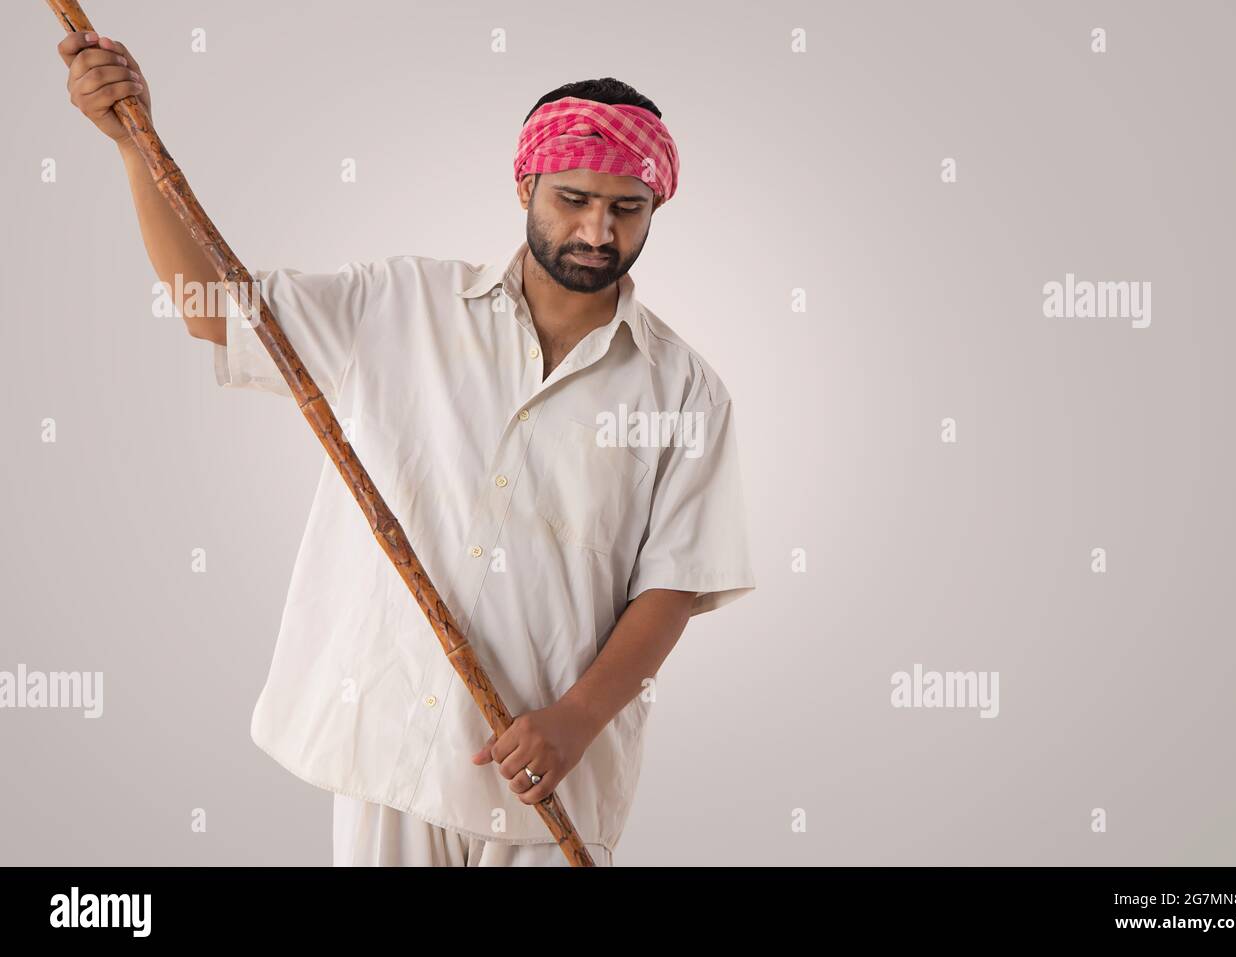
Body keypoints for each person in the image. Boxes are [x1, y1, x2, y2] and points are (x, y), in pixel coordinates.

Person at [58, 30, 756, 867]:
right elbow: (218, 311)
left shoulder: (684, 390)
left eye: (625, 208)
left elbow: (673, 585)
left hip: (552, 790)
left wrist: (575, 718)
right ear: (526, 184)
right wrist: (136, 144)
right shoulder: (400, 306)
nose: (597, 231)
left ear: (655, 209)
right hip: (388, 759)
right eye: (573, 198)